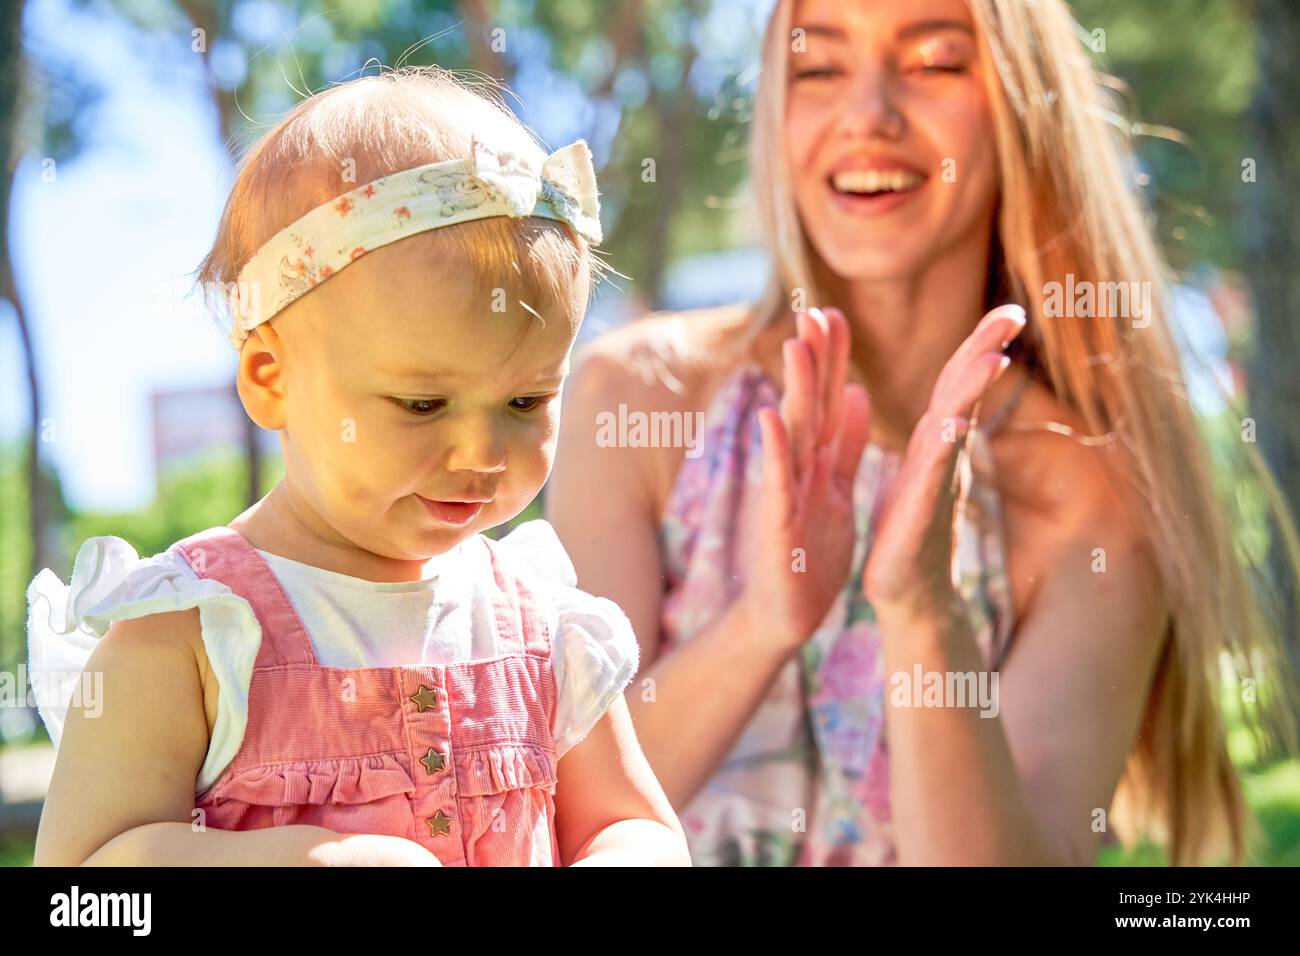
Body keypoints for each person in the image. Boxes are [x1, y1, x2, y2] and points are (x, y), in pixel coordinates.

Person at [547, 0, 1300, 866]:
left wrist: (922, 608)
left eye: (936, 62)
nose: (868, 113)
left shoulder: (1099, 494)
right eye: (819, 68)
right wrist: (761, 623)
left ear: (1022, 105)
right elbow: (556, 815)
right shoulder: (633, 398)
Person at [26, 66, 689, 867]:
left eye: (526, 400)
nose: (482, 454)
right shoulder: (193, 633)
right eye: (422, 404)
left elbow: (635, 824)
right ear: (272, 380)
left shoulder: (541, 626)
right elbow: (86, 881)